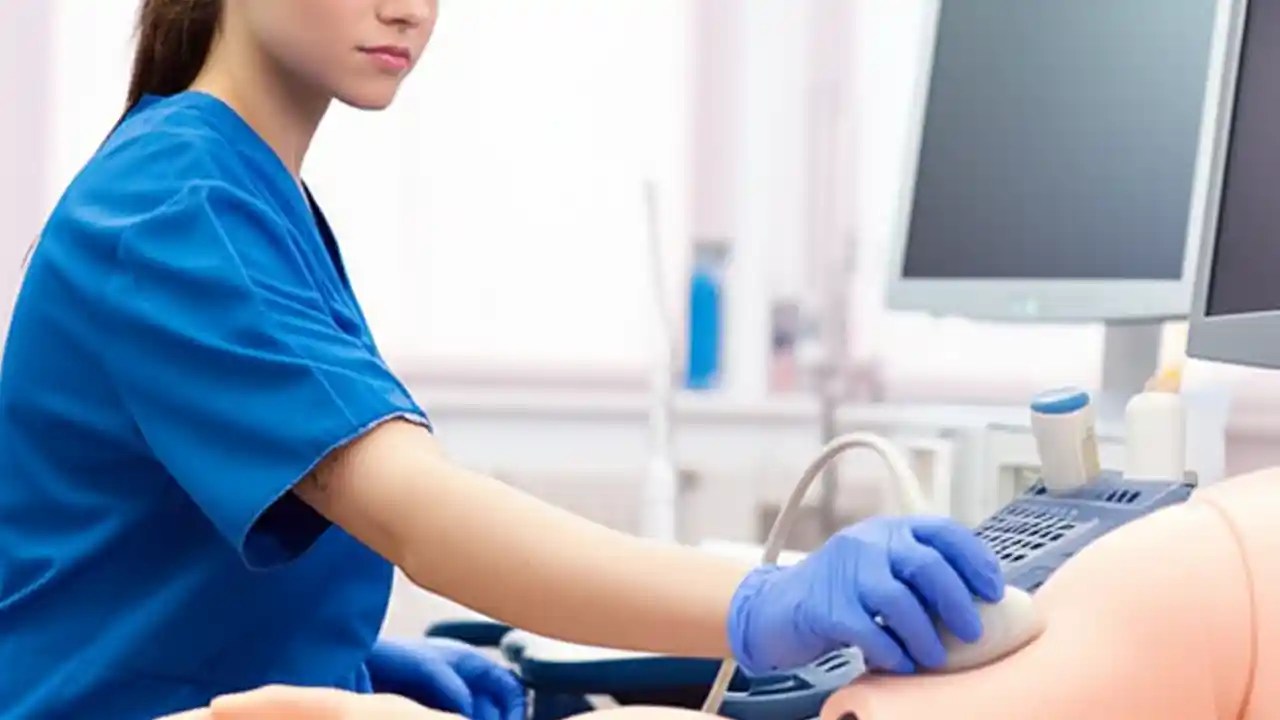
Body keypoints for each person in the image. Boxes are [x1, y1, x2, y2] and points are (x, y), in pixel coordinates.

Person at [0, 1, 1005, 718]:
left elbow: (163, 552)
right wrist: (764, 605)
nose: (409, 10)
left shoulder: (237, 188)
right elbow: (417, 515)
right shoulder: (178, 208)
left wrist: (347, 662)